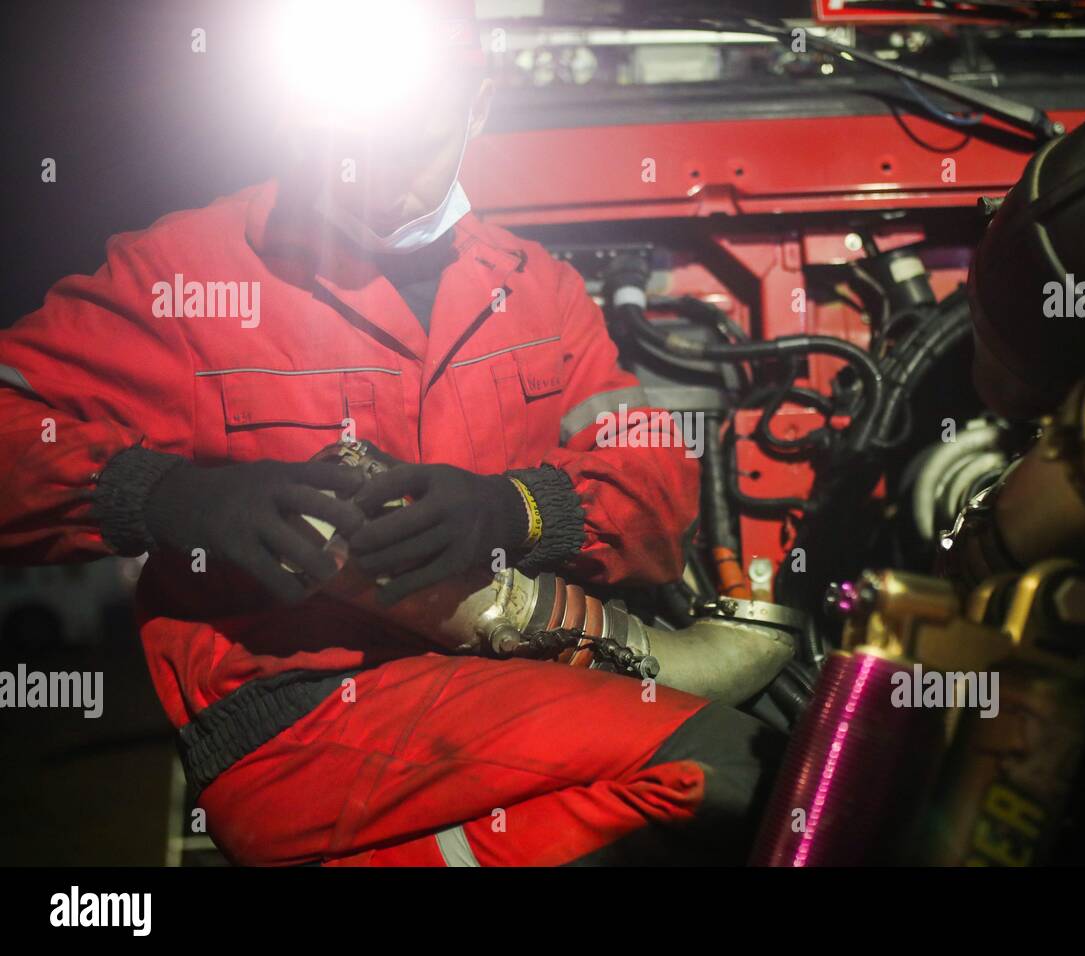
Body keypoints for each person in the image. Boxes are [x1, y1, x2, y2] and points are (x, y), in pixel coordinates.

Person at [0, 0, 781, 865]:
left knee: (736, 781)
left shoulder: (537, 291)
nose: (370, 172)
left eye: (412, 138)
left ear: (477, 107)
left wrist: (519, 510)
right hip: (299, 717)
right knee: (730, 773)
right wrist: (163, 497)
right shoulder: (188, 272)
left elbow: (652, 483)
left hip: (506, 684)